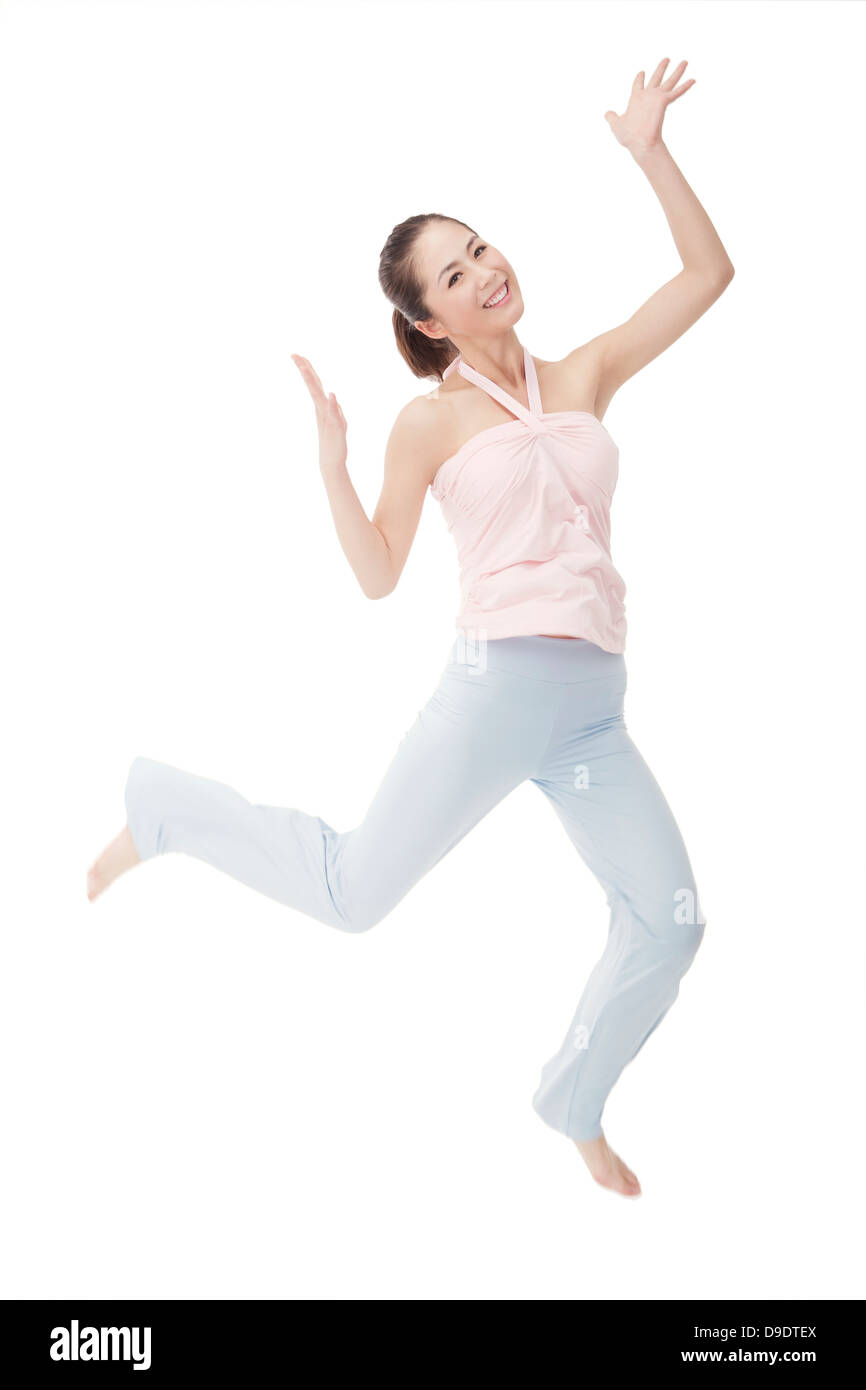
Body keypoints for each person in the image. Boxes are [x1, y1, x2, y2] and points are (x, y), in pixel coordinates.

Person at [87, 59, 733, 1198]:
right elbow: (380, 574)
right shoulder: (426, 423)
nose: (485, 269)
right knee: (352, 896)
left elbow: (705, 272)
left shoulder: (582, 372)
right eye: (454, 270)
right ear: (424, 317)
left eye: (481, 246)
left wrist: (646, 152)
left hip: (592, 717)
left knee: (670, 922)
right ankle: (164, 810)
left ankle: (570, 1099)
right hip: (490, 698)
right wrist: (331, 469)